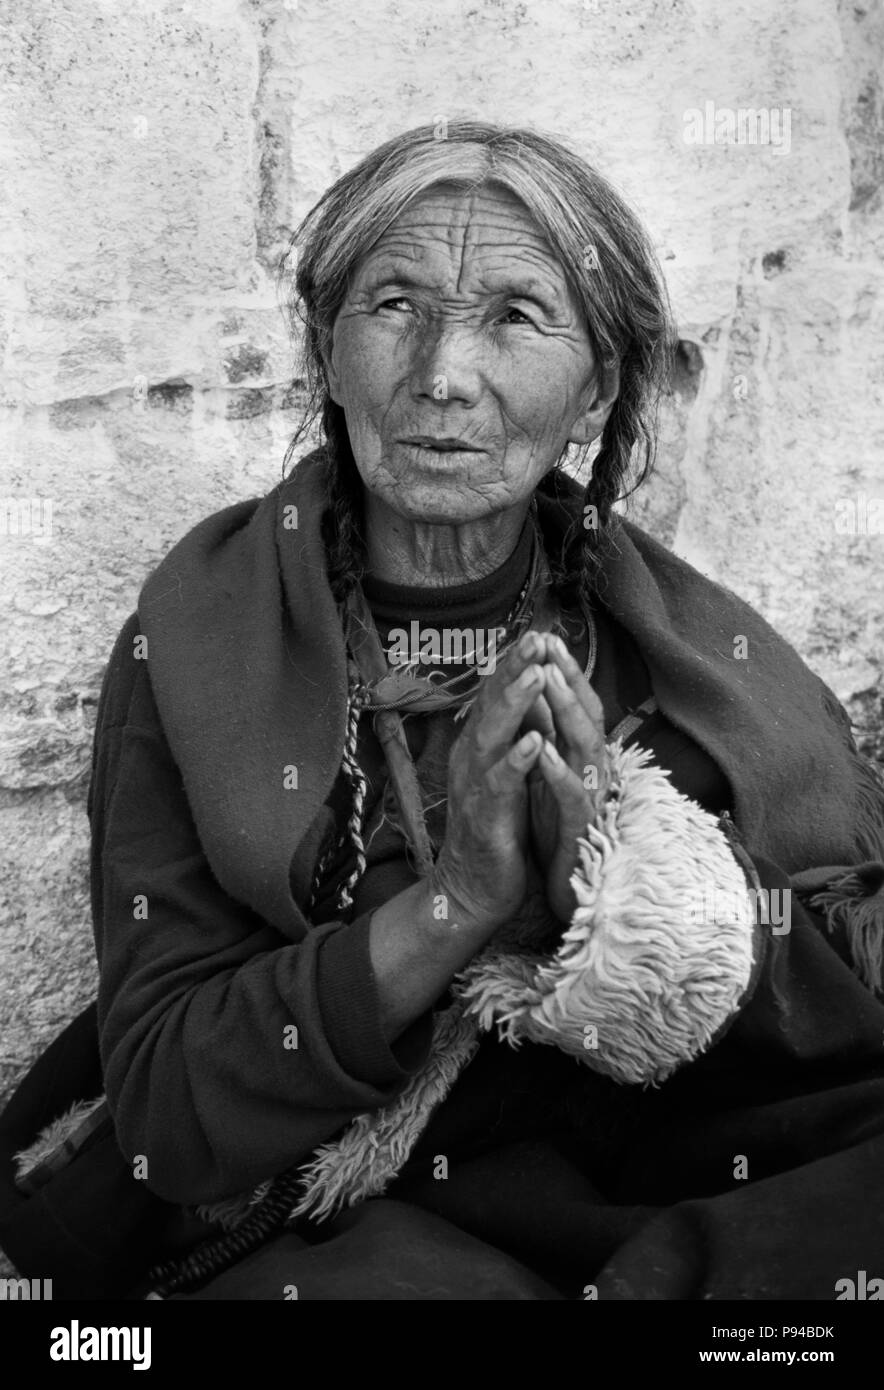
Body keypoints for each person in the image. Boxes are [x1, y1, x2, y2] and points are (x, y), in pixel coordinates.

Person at [3, 121, 884, 1301]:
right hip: (346, 1207)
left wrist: (613, 891)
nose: (440, 375)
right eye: (393, 307)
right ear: (326, 350)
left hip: (645, 1180)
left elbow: (837, 1022)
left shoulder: (683, 656)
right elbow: (168, 1107)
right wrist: (458, 900)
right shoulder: (204, 643)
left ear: (598, 387)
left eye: (515, 317)